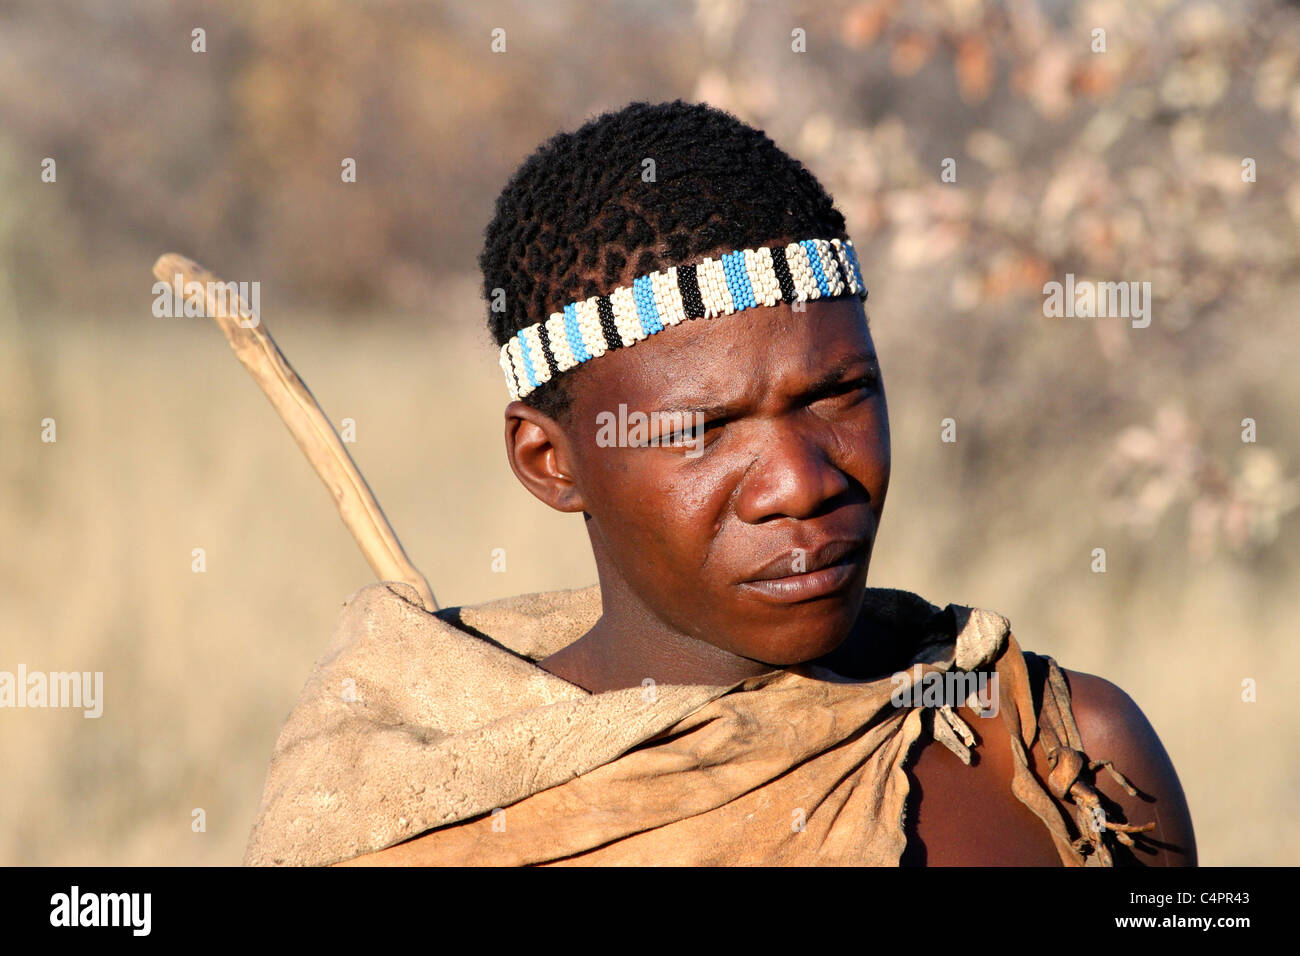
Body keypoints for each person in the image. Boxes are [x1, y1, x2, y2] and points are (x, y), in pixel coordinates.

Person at [243, 100, 1195, 866]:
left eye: (839, 395)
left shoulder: (1061, 761)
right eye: (701, 430)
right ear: (551, 462)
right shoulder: (419, 821)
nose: (800, 483)